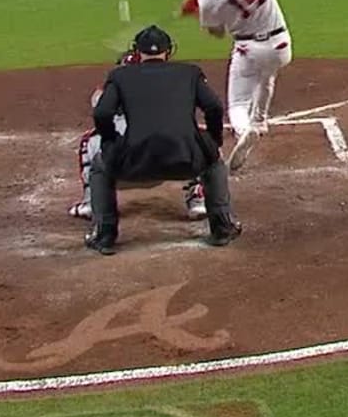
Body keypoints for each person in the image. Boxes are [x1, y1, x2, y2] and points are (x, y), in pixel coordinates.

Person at [84, 25, 239, 255]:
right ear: (169, 51)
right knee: (214, 161)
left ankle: (104, 234)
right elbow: (214, 107)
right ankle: (222, 228)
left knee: (99, 167)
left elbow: (102, 113)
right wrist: (213, 141)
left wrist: (110, 142)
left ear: (137, 51)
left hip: (133, 163)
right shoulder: (190, 73)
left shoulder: (120, 75)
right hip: (185, 160)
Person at [181, 0, 291, 173]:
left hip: (250, 50)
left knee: (238, 104)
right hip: (281, 44)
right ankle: (259, 121)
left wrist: (197, 11)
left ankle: (244, 130)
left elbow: (218, 32)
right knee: (267, 75)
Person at [68, 47, 210, 222]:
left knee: (89, 141)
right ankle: (197, 199)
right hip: (173, 165)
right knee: (194, 136)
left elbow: (101, 110)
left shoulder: (107, 92)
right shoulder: (171, 89)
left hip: (123, 171)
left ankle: (92, 203)